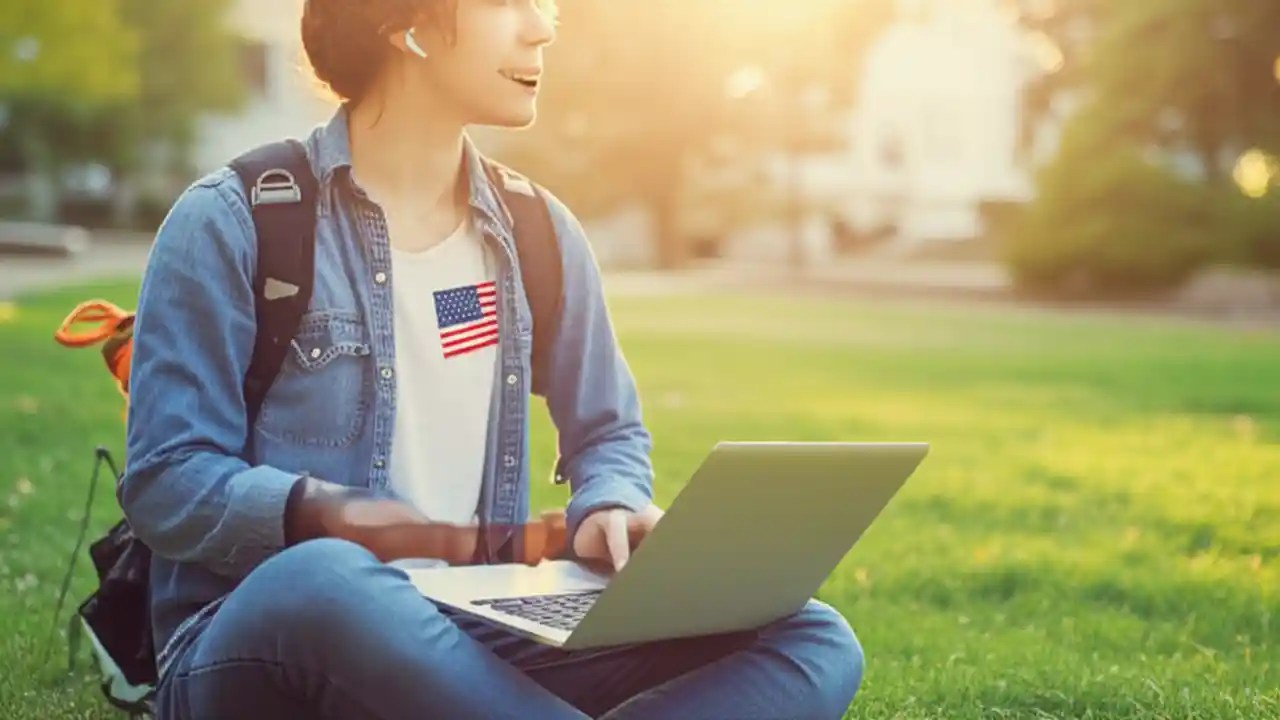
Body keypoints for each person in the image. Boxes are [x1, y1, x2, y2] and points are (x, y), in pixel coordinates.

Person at [121, 1, 865, 717]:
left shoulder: (537, 231)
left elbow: (607, 432)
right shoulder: (232, 221)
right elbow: (165, 479)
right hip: (271, 637)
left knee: (809, 634)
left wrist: (609, 500)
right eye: (507, 1)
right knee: (329, 575)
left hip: (478, 630)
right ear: (405, 23)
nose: (542, 28)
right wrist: (316, 513)